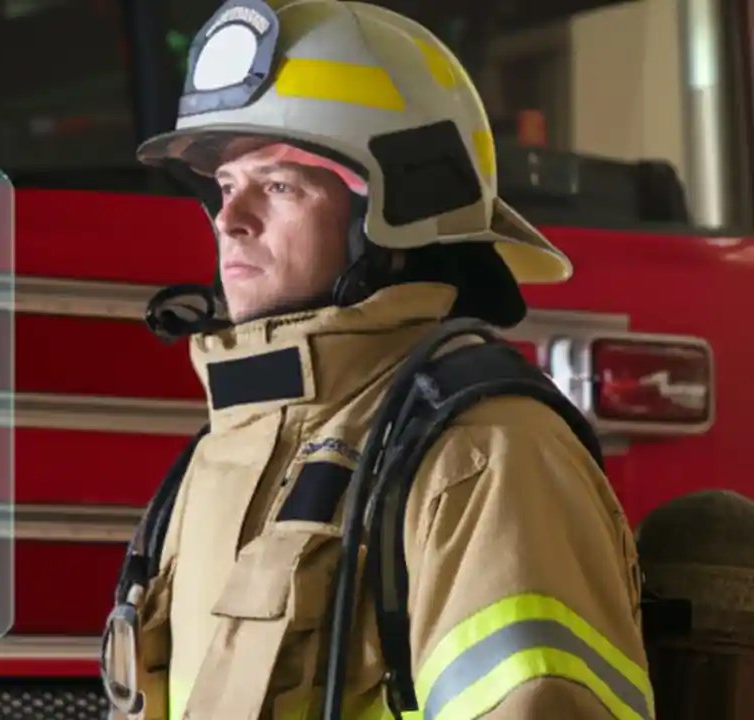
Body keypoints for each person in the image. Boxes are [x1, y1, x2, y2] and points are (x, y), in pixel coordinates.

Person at [100, 1, 654, 718]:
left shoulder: (484, 457)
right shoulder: (220, 453)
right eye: (226, 186)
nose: (229, 220)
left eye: (278, 185)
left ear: (399, 213)